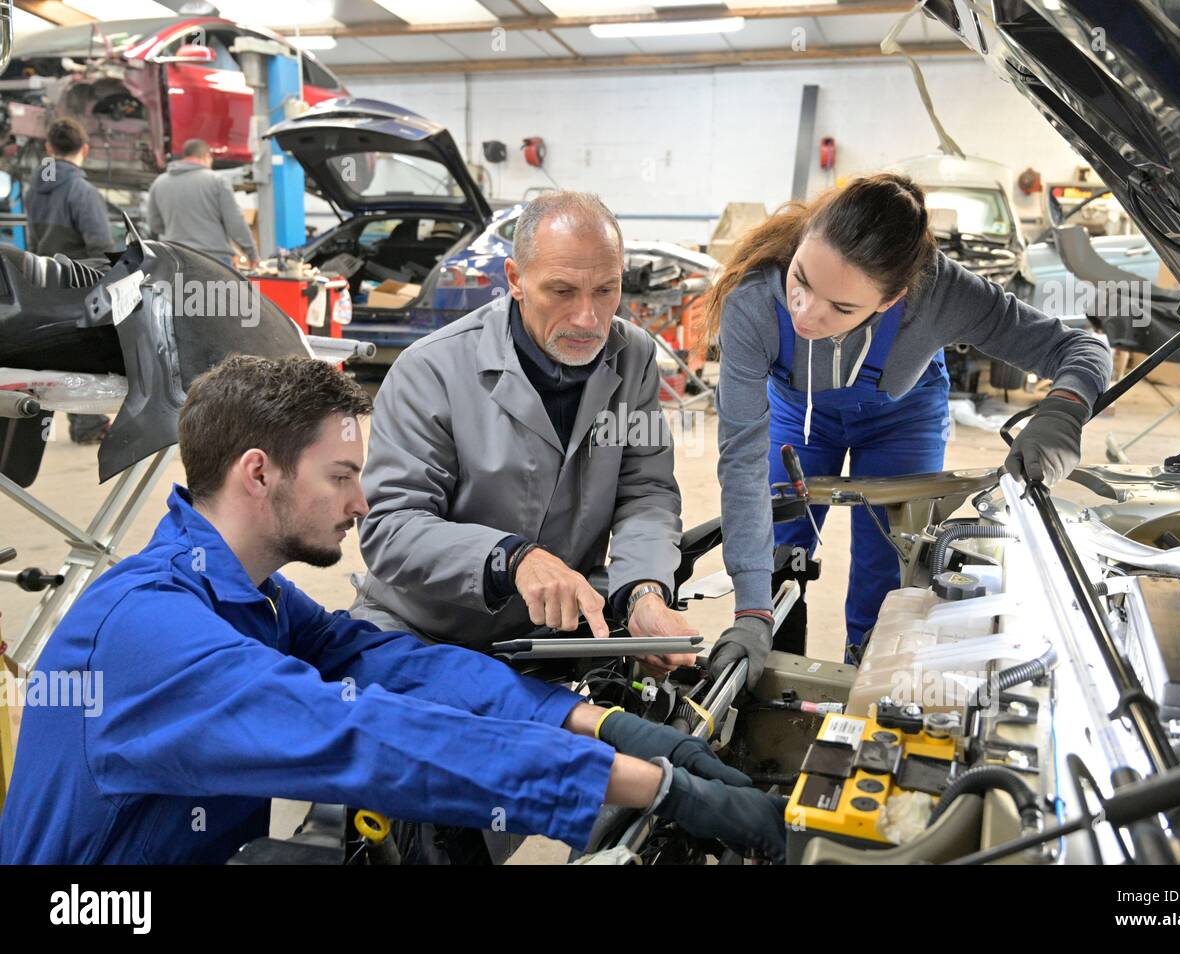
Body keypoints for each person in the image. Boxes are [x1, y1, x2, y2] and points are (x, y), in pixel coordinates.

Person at [0, 354, 785, 864]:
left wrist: (597, 725)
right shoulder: (149, 631)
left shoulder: (246, 595)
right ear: (258, 473)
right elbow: (359, 734)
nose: (363, 501)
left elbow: (384, 662)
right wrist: (649, 788)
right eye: (341, 475)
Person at [704, 172, 1111, 677]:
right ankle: (773, 665)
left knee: (889, 570)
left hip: (901, 419)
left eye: (843, 306)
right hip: (798, 414)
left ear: (892, 298)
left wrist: (1064, 408)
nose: (806, 313)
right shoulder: (753, 302)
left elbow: (1080, 346)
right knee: (777, 546)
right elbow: (741, 461)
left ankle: (869, 679)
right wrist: (750, 607)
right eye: (802, 281)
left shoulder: (941, 294)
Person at [352, 191, 696, 678]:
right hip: (424, 636)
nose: (588, 318)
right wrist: (509, 560)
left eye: (605, 290)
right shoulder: (430, 370)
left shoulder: (632, 356)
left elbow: (646, 492)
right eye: (562, 291)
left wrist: (642, 590)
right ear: (515, 280)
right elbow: (390, 527)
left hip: (549, 644)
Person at [25, 116, 114, 444]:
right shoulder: (82, 189)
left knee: (60, 353)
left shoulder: (33, 190)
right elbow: (101, 245)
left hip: (47, 278)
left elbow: (34, 241)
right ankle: (88, 425)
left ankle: (74, 421)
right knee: (87, 353)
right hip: (81, 281)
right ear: (85, 149)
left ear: (49, 148)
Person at [145, 138, 257, 267]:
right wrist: (251, 253)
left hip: (176, 258)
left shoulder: (159, 183)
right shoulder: (216, 180)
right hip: (213, 259)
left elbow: (154, 224)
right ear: (206, 156)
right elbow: (234, 221)